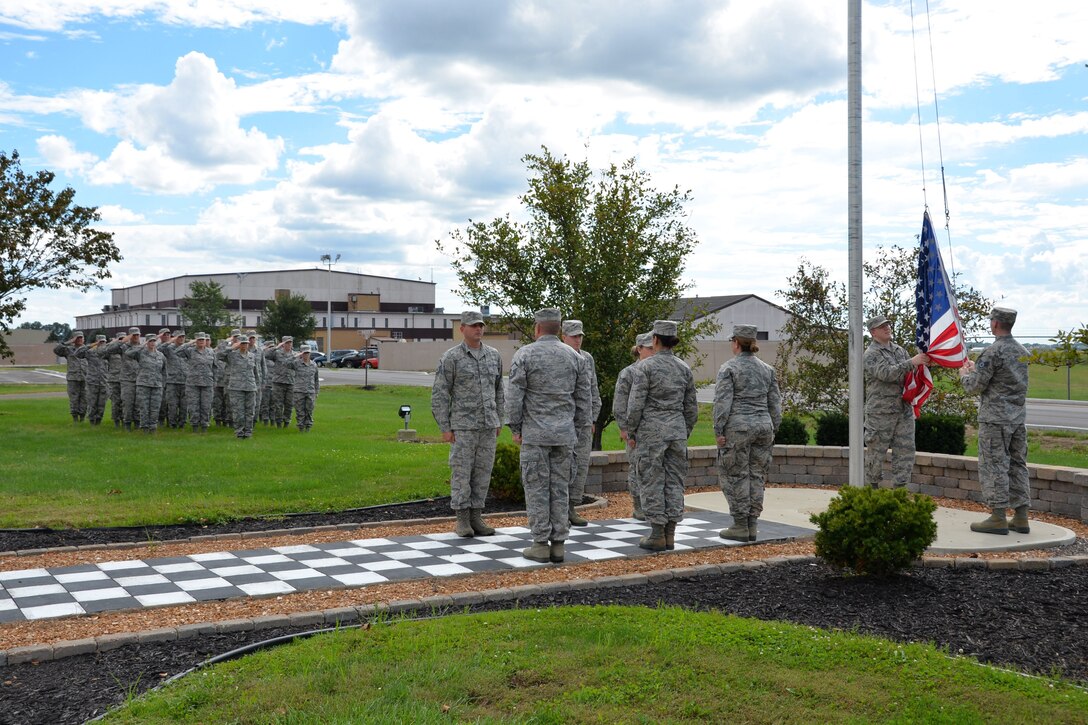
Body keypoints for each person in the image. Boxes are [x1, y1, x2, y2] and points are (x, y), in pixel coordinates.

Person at [505, 308, 591, 563]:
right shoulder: (576, 357)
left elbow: (515, 396)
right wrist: (577, 429)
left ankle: (540, 543)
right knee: (560, 488)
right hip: (565, 435)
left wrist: (516, 428)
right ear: (559, 328)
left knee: (537, 488)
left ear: (537, 328)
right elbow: (583, 400)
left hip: (536, 435)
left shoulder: (526, 354)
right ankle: (559, 544)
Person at [431, 310, 505, 538]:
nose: (478, 329)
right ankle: (462, 519)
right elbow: (440, 394)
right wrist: (445, 426)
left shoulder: (493, 356)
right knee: (462, 473)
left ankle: (476, 516)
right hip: (463, 426)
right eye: (473, 325)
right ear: (462, 328)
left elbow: (499, 390)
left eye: (481, 325)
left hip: (487, 426)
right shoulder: (452, 358)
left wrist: (500, 419)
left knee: (483, 473)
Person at [626, 319, 698, 551]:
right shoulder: (683, 368)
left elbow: (635, 404)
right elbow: (691, 408)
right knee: (675, 480)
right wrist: (683, 430)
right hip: (677, 431)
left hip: (651, 432)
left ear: (655, 340)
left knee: (652, 480)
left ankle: (657, 532)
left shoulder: (645, 367)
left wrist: (632, 430)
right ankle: (670, 533)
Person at [959, 307, 1031, 535]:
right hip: (1017, 419)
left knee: (994, 465)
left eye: (991, 320)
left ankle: (998, 516)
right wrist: (975, 369)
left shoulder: (993, 352)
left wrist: (964, 375)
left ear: (996, 324)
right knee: (1017, 464)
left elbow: (974, 386)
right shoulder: (1022, 352)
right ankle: (1021, 517)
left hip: (995, 420)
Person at [714, 324, 783, 542]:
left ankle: (740, 525)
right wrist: (773, 428)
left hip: (738, 428)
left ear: (736, 343)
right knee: (756, 475)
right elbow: (775, 405)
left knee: (735, 475)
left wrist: (718, 429)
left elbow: (722, 403)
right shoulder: (767, 369)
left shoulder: (729, 368)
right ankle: (752, 524)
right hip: (764, 426)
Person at [863, 314, 930, 490]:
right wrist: (911, 362)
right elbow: (886, 373)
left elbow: (910, 374)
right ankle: (872, 490)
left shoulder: (899, 351)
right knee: (876, 452)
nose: (887, 328)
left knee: (905, 451)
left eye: (888, 325)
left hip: (903, 409)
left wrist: (922, 363)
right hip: (880, 412)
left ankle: (900, 491)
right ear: (873, 332)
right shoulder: (871, 354)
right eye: (882, 326)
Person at [561, 319, 601, 526]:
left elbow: (592, 389)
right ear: (564, 336)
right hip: (563, 422)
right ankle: (560, 507)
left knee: (581, 465)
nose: (578, 340)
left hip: (584, 422)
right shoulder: (559, 357)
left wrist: (592, 417)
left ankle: (571, 506)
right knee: (564, 465)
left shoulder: (587, 358)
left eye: (580, 336)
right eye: (574, 336)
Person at [613, 331, 655, 520]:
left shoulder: (656, 369)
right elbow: (620, 403)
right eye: (649, 349)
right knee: (637, 468)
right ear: (639, 349)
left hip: (655, 430)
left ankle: (653, 505)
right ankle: (639, 506)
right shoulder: (629, 373)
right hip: (636, 431)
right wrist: (625, 428)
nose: (653, 352)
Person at [101, 328, 143, 431]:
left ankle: (137, 424)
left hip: (140, 379)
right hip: (127, 379)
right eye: (133, 335)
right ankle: (126, 423)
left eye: (137, 335)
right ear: (129, 336)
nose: (136, 337)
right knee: (127, 403)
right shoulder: (123, 347)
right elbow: (107, 350)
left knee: (138, 403)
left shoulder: (142, 347)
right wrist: (121, 341)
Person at [218, 335, 259, 438]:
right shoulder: (232, 355)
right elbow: (218, 355)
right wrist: (231, 347)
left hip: (250, 387)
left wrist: (257, 386)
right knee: (238, 411)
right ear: (238, 344)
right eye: (242, 343)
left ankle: (248, 432)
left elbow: (256, 372)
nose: (244, 345)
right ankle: (239, 433)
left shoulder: (252, 356)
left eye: (246, 343)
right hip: (236, 388)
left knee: (250, 412)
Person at [125, 335, 166, 433]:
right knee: (144, 407)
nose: (152, 343)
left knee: (155, 408)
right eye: (150, 341)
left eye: (154, 341)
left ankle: (153, 427)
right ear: (147, 342)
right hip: (143, 385)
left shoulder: (160, 355)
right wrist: (141, 345)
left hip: (157, 385)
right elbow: (128, 353)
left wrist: (162, 384)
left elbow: (164, 371)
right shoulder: (141, 353)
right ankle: (144, 428)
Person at [176, 332, 217, 432]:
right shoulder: (190, 351)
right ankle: (194, 426)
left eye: (203, 340)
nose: (201, 342)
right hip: (193, 383)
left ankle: (204, 426)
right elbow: (177, 351)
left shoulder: (211, 352)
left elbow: (215, 367)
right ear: (196, 341)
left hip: (207, 383)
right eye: (199, 340)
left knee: (206, 406)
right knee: (193, 405)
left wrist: (214, 381)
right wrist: (190, 342)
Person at [284, 343, 320, 431]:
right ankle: (300, 426)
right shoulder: (296, 363)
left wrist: (316, 391)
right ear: (301, 353)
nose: (306, 355)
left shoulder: (313, 365)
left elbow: (316, 379)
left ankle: (308, 426)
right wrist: (295, 356)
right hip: (299, 391)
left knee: (309, 410)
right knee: (299, 410)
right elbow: (285, 363)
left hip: (310, 391)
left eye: (307, 353)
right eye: (304, 353)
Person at [53, 331, 88, 422]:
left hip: (85, 378)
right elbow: (56, 350)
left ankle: (82, 418)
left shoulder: (87, 349)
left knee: (85, 399)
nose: (80, 339)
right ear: (73, 339)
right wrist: (68, 342)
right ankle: (75, 418)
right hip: (73, 378)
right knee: (74, 399)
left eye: (81, 338)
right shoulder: (68, 350)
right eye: (78, 338)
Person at [76, 334, 110, 425]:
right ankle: (92, 421)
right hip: (92, 382)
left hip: (104, 382)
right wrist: (91, 345)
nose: (102, 344)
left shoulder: (107, 354)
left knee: (101, 404)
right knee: (92, 403)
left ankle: (98, 421)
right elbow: (78, 353)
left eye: (103, 342)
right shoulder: (90, 352)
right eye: (100, 342)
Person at [264, 336, 297, 428]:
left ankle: (286, 421)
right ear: (283, 344)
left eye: (290, 343)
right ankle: (278, 422)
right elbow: (265, 355)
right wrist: (276, 347)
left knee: (289, 404)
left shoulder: (295, 355)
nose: (289, 345)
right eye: (287, 343)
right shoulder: (277, 353)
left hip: (290, 382)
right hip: (278, 382)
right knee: (278, 404)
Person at [159, 330, 189, 428]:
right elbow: (158, 349)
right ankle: (172, 423)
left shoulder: (187, 349)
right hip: (172, 381)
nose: (181, 339)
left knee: (184, 405)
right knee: (172, 405)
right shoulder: (169, 348)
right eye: (179, 337)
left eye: (183, 337)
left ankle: (182, 423)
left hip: (185, 381)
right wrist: (170, 341)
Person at [101, 331, 126, 427]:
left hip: (126, 379)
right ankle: (116, 421)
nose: (122, 341)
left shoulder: (127, 350)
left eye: (123, 339)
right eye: (120, 339)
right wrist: (112, 343)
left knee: (125, 401)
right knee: (116, 402)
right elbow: (102, 352)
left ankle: (124, 420)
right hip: (114, 379)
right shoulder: (111, 351)